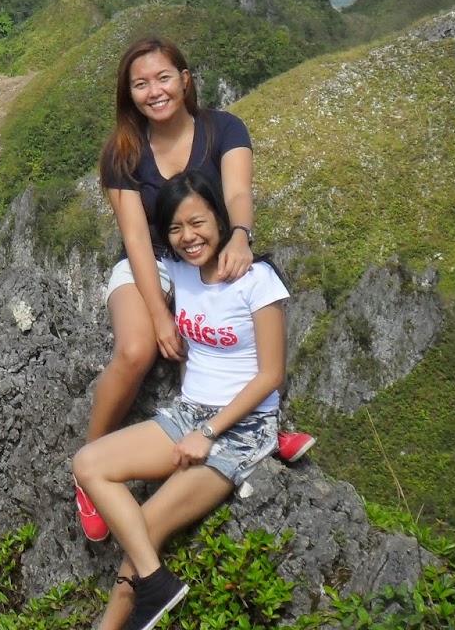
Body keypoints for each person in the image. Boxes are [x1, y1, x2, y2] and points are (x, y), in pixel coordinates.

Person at [75, 37, 311, 541]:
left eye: (164, 78)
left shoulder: (224, 128)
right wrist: (160, 314)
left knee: (243, 329)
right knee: (137, 349)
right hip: (154, 263)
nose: (154, 91)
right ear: (128, 93)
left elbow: (238, 191)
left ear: (185, 79)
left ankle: (260, 429)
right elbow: (136, 236)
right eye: (140, 84)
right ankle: (86, 468)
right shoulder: (123, 152)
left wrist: (242, 236)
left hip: (208, 254)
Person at [73, 169, 291, 630]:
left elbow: (271, 374)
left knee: (146, 525)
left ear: (221, 220)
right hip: (189, 413)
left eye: (198, 223)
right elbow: (132, 256)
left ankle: (112, 624)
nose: (188, 237)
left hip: (240, 430)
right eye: (175, 228)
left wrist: (208, 434)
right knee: (89, 464)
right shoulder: (178, 272)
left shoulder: (258, 279)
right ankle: (157, 584)